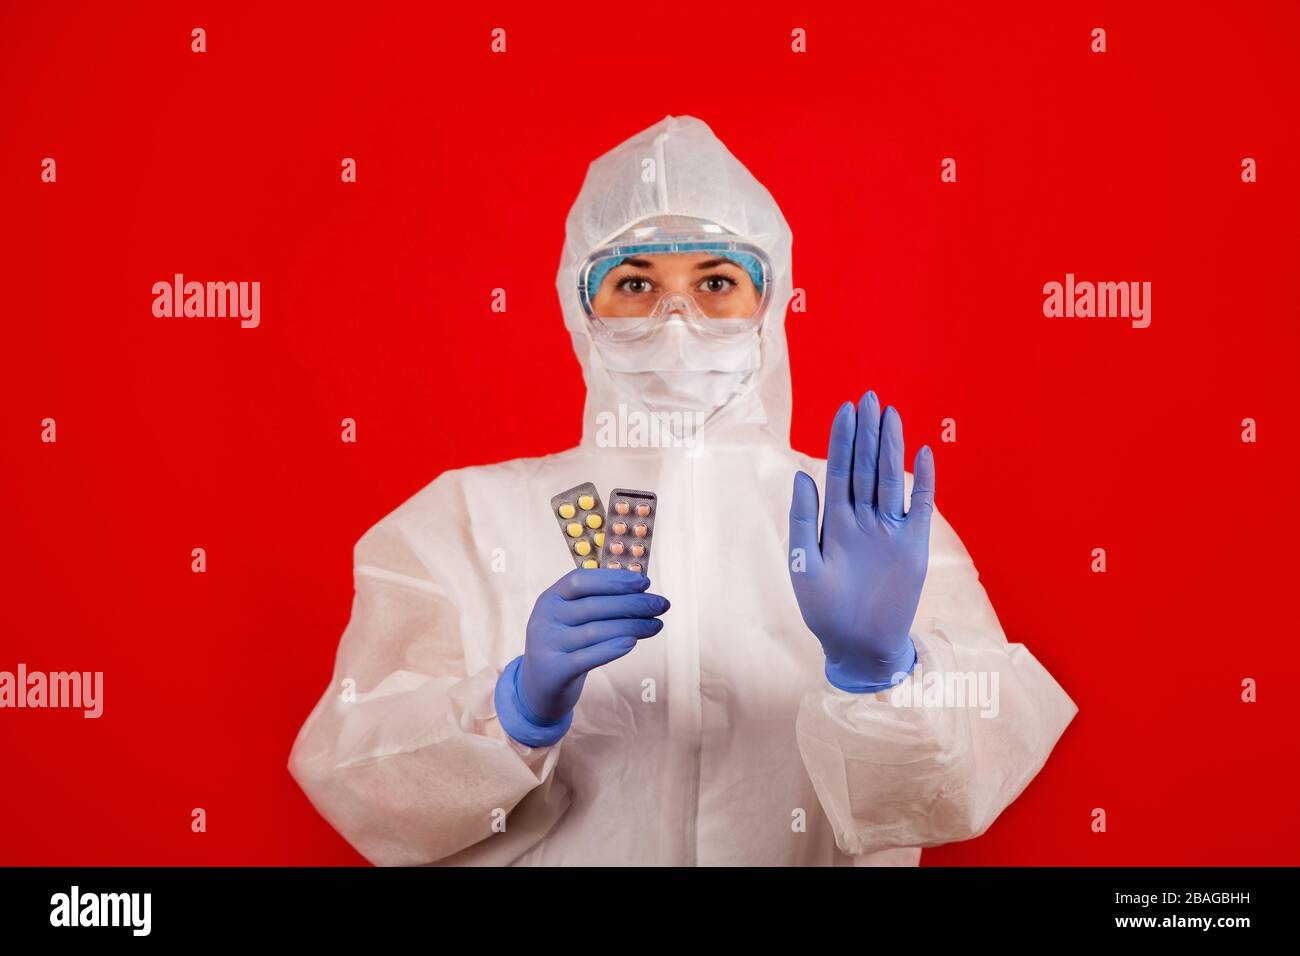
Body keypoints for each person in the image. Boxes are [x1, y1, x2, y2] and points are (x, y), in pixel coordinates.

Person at [288, 115, 1077, 866]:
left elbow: (962, 788)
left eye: (716, 281)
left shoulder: (870, 521)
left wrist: (887, 674)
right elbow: (353, 777)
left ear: (767, 305)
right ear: (579, 305)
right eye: (634, 283)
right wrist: (513, 712)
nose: (676, 320)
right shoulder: (459, 522)